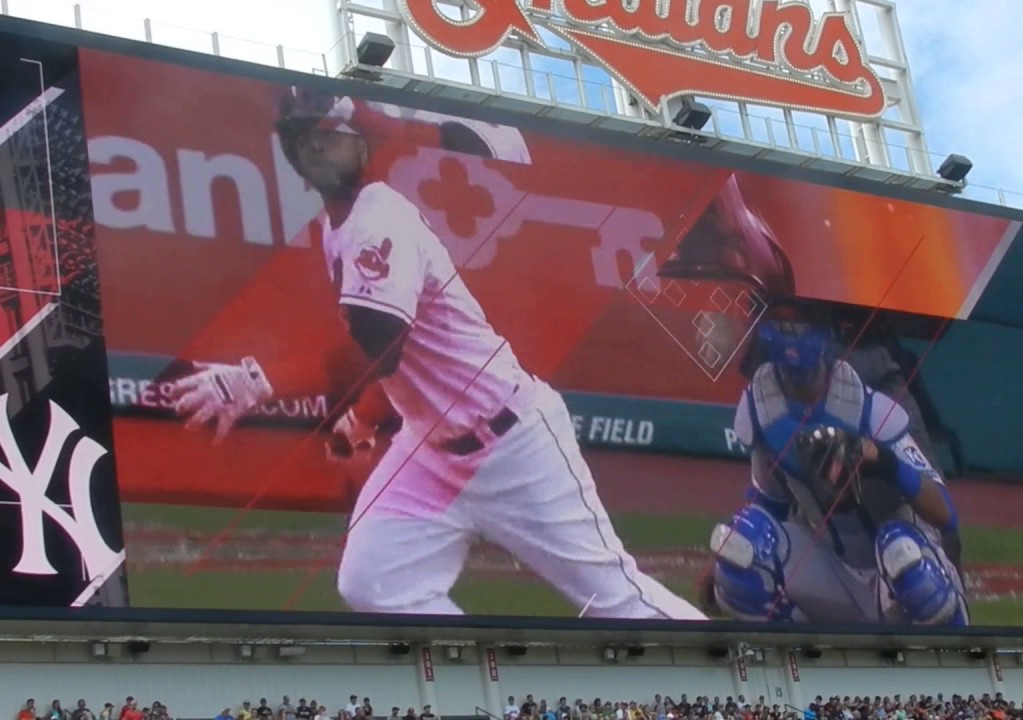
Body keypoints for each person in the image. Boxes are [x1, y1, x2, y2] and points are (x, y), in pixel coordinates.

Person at [171, 88, 702, 621]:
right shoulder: (337, 228)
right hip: (426, 447)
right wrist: (363, 416)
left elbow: (377, 347)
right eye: (303, 136)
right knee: (374, 584)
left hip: (512, 443)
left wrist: (259, 380)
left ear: (361, 144)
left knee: (616, 603)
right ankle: (486, 687)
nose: (317, 146)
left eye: (330, 134)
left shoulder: (380, 218)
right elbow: (405, 353)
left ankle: (742, 688)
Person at [703, 299, 967, 626]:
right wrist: (721, 568)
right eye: (784, 328)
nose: (793, 339)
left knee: (905, 557)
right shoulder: (761, 408)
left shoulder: (871, 408)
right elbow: (769, 502)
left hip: (894, 570)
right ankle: (799, 668)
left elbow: (945, 513)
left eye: (800, 328)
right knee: (742, 546)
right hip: (833, 564)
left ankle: (947, 662)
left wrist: (881, 459)